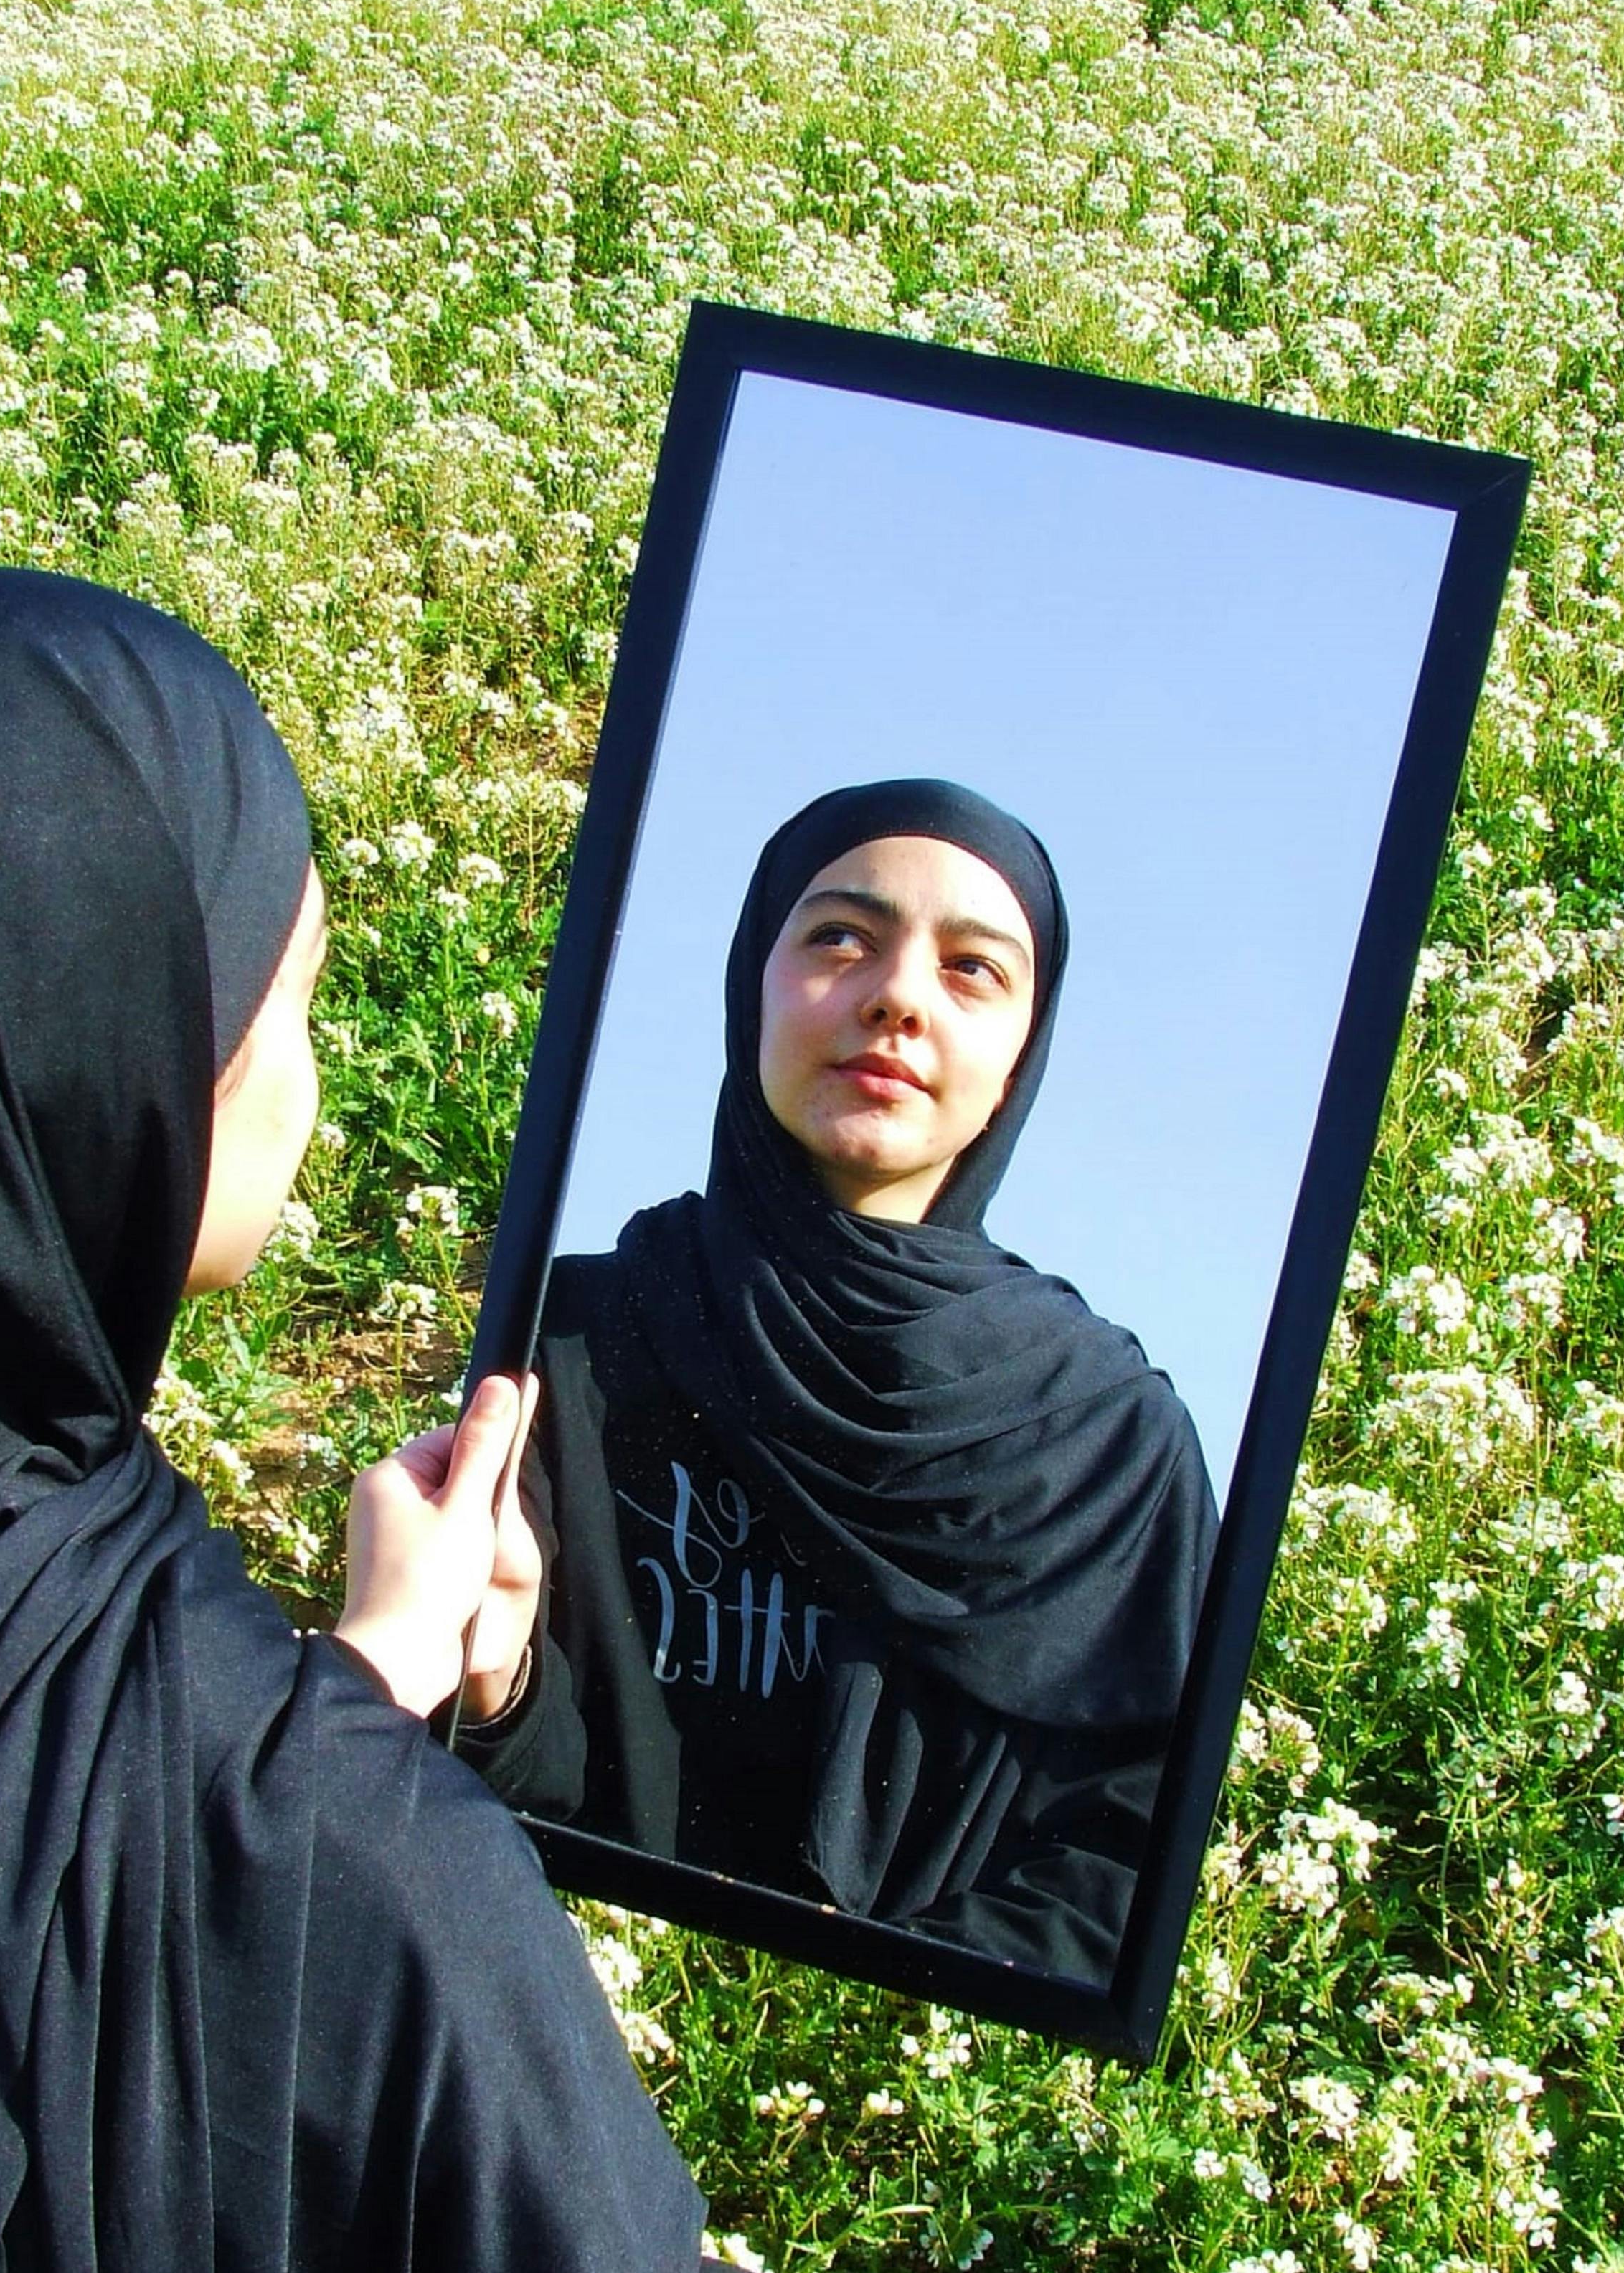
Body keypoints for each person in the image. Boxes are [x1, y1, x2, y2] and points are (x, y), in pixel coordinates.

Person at [0, 567, 884, 2273]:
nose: (312, 1074)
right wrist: (325, 1764)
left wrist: (356, 1687)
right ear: (101, 1050)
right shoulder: (343, 1853)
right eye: (288, 1003)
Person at [470, 780, 1219, 1988]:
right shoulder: (570, 1341)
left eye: (974, 969)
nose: (897, 997)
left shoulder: (1112, 1446)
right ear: (750, 986)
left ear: (1023, 1056)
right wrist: (493, 1686)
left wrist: (852, 2024)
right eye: (838, 938)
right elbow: (503, 1802)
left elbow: (1123, 1866)